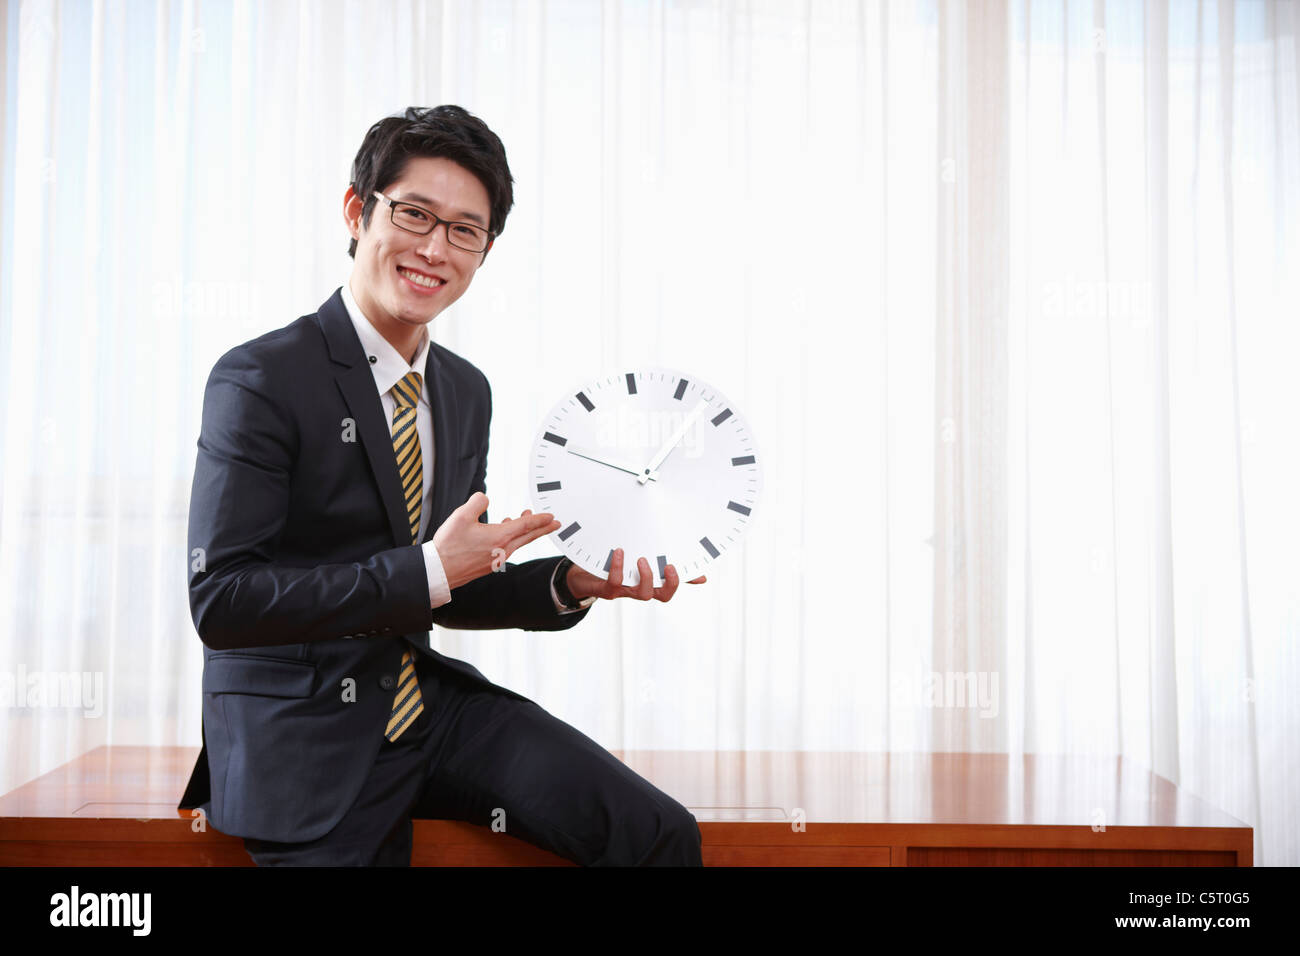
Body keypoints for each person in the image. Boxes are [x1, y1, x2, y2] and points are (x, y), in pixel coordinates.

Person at [178, 105, 706, 866]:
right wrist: (430, 568)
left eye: (466, 230)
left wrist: (568, 581)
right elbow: (221, 601)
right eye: (415, 214)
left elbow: (448, 587)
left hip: (426, 709)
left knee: (658, 834)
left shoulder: (463, 390)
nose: (435, 248)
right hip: (302, 736)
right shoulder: (260, 377)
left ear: (485, 250)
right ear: (358, 211)